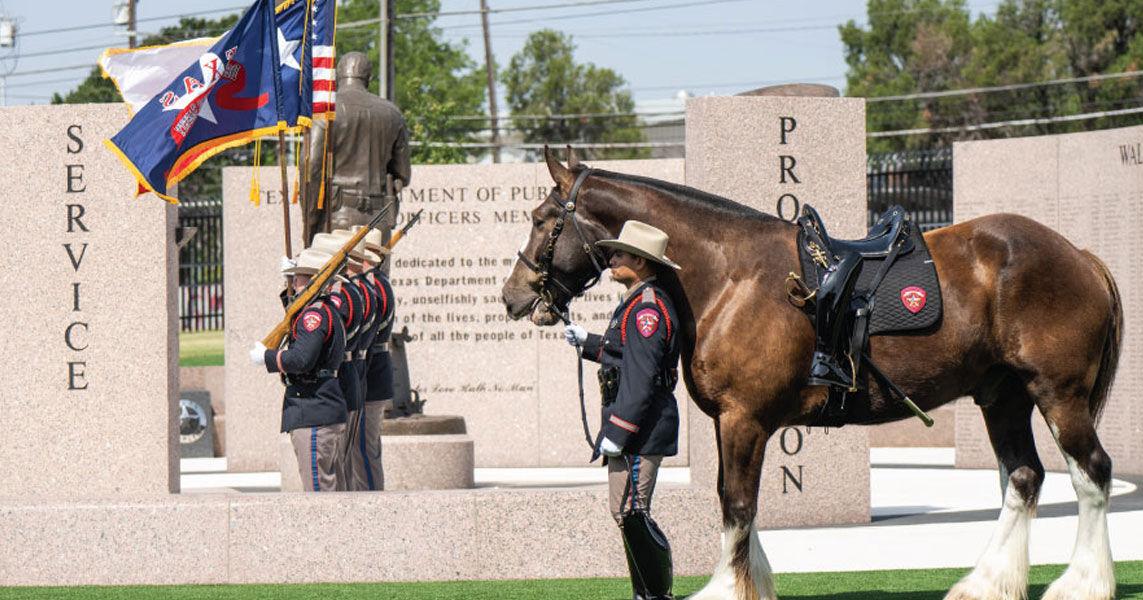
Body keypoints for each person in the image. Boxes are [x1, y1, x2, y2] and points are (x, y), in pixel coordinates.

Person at [562, 221, 681, 600]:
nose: (611, 259)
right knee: (626, 514)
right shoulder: (636, 302)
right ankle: (645, 593)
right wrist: (589, 343)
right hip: (632, 425)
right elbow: (623, 353)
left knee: (632, 512)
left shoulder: (647, 309)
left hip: (639, 428)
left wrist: (619, 429)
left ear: (642, 263)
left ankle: (655, 594)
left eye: (620, 254)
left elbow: (642, 376)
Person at [249, 248, 348, 492]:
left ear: (313, 280)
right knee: (329, 491)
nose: (294, 282)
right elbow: (294, 314)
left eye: (299, 276)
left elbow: (302, 359)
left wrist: (269, 357)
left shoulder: (313, 315)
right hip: (320, 406)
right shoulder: (322, 309)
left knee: (318, 494)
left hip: (313, 410)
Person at [303, 51, 412, 243]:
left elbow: (312, 167)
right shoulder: (392, 113)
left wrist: (310, 221)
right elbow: (403, 173)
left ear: (338, 76)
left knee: (334, 273)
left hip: (336, 218)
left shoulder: (324, 111)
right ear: (369, 78)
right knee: (375, 274)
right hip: (378, 220)